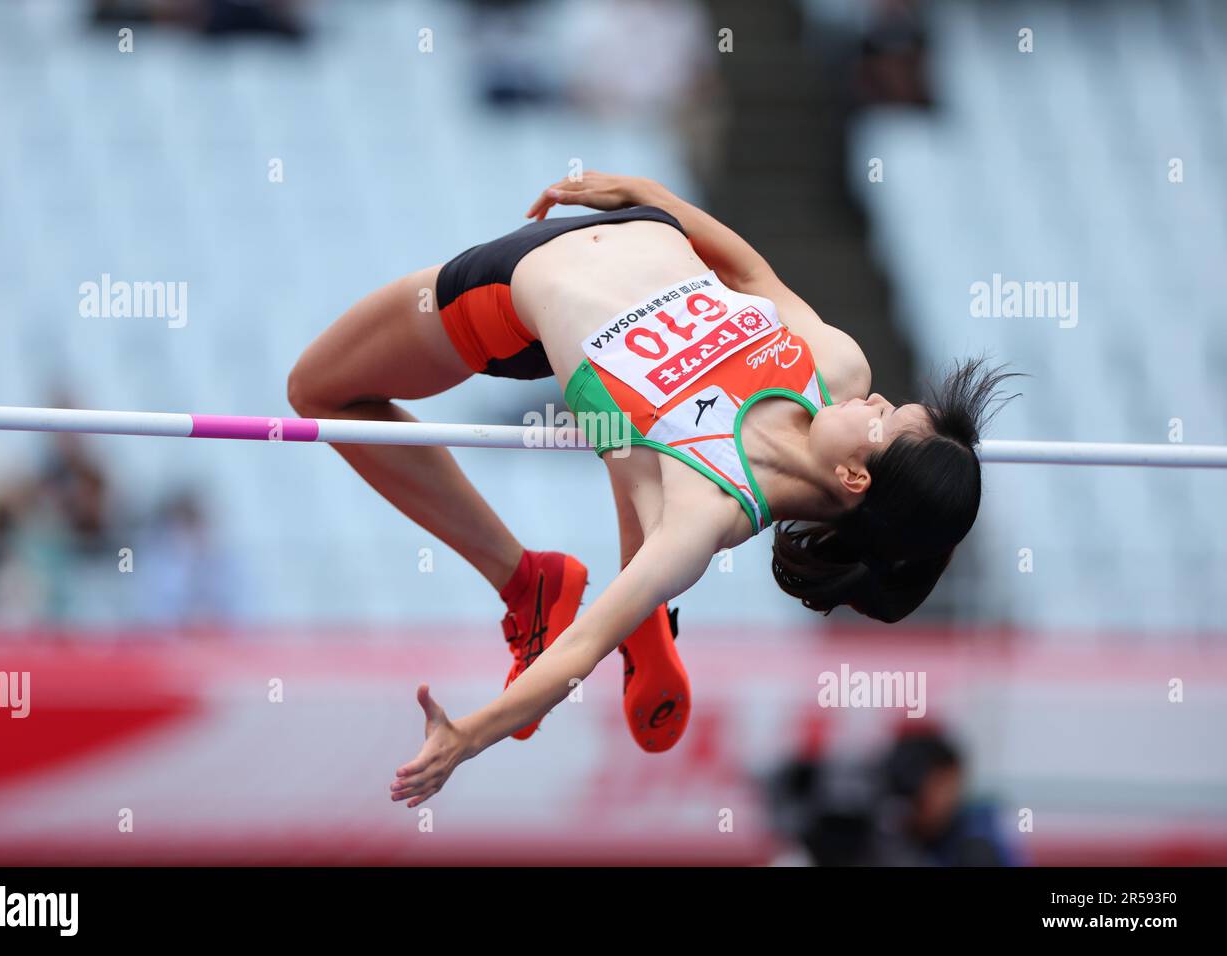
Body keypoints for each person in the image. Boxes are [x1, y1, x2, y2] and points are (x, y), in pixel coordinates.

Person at [285, 172, 1017, 807]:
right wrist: (652, 196)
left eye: (886, 422)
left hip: (515, 291)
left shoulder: (706, 513)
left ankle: (534, 581)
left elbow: (577, 650)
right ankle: (639, 605)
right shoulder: (837, 368)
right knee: (633, 443)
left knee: (317, 390)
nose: (877, 401)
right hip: (641, 234)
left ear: (857, 476)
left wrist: (466, 737)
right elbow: (753, 274)